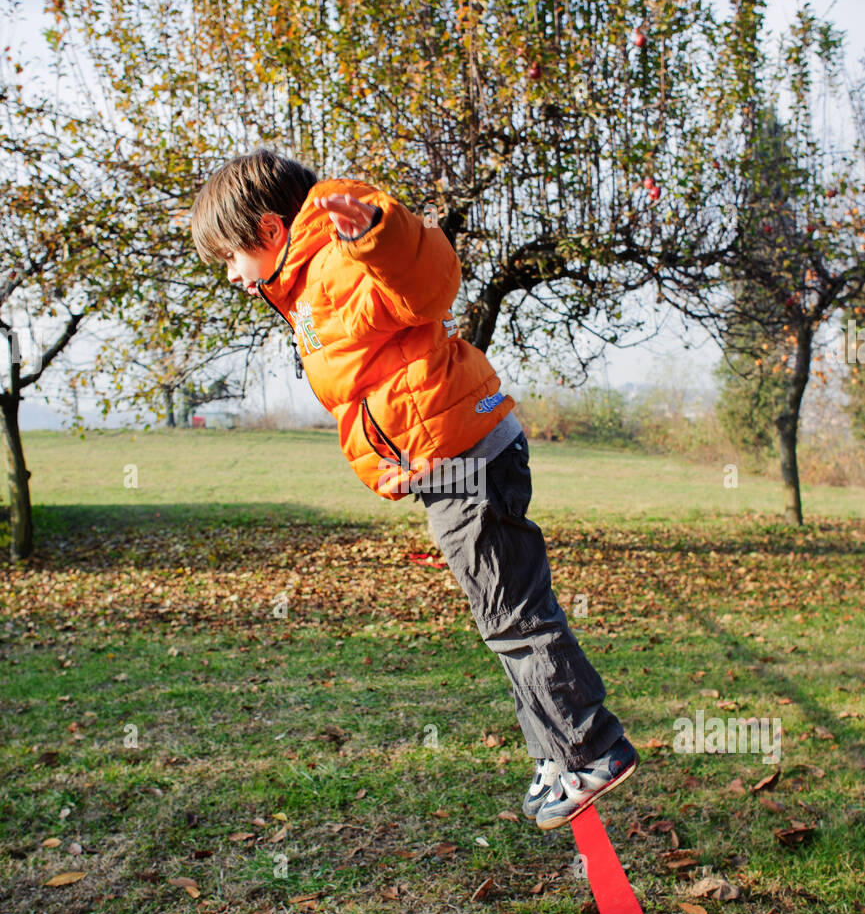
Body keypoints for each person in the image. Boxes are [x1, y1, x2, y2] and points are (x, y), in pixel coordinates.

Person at [190, 148, 638, 827]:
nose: (230, 276)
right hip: (446, 461)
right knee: (502, 618)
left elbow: (427, 282)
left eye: (228, 258)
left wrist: (377, 230)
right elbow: (369, 392)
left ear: (270, 232)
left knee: (513, 616)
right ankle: (555, 749)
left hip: (466, 458)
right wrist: (386, 468)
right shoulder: (306, 291)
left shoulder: (345, 256)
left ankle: (591, 750)